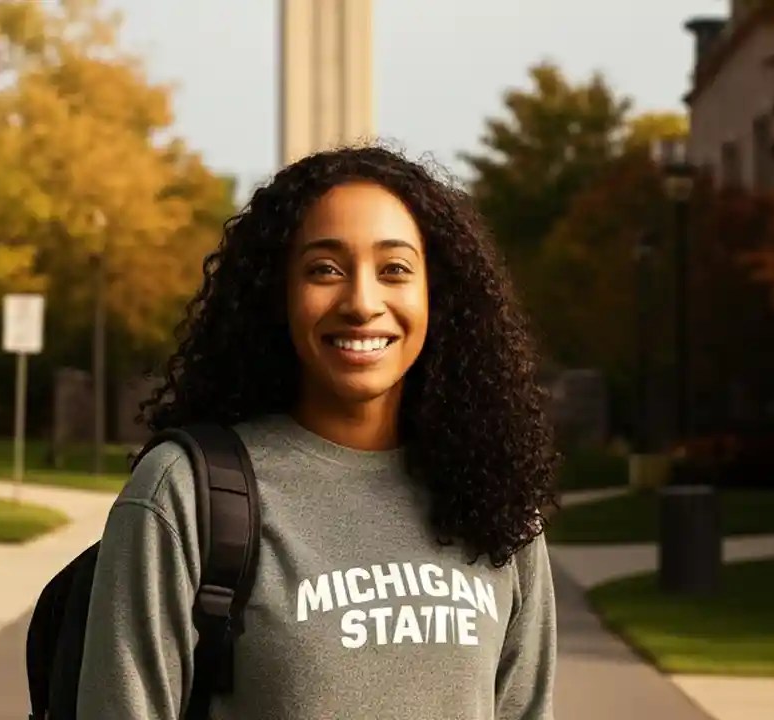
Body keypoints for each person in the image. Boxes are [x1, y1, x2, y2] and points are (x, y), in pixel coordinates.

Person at [77, 145, 560, 719]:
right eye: (325, 269)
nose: (361, 302)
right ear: (277, 296)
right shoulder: (185, 496)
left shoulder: (495, 502)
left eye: (395, 270)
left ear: (439, 296)